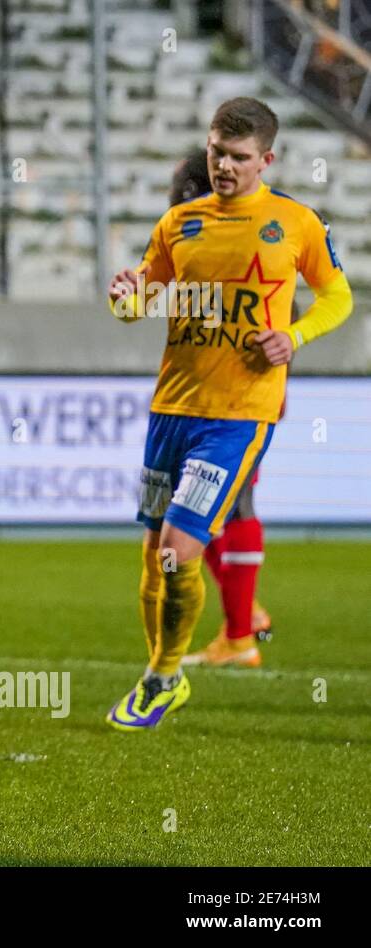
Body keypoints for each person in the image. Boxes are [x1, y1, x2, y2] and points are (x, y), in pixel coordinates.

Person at [105, 98, 353, 730]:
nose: (224, 167)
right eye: (217, 152)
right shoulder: (179, 224)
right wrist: (125, 299)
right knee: (152, 555)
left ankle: (167, 677)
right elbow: (143, 301)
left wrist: (293, 339)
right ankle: (165, 672)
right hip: (172, 407)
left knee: (177, 551)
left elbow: (338, 296)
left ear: (266, 160)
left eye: (239, 158)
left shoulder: (294, 223)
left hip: (240, 414)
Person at [168, 148, 274, 668]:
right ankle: (243, 615)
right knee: (202, 503)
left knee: (228, 504)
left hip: (239, 393)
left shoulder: (238, 231)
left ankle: (239, 634)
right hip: (221, 391)